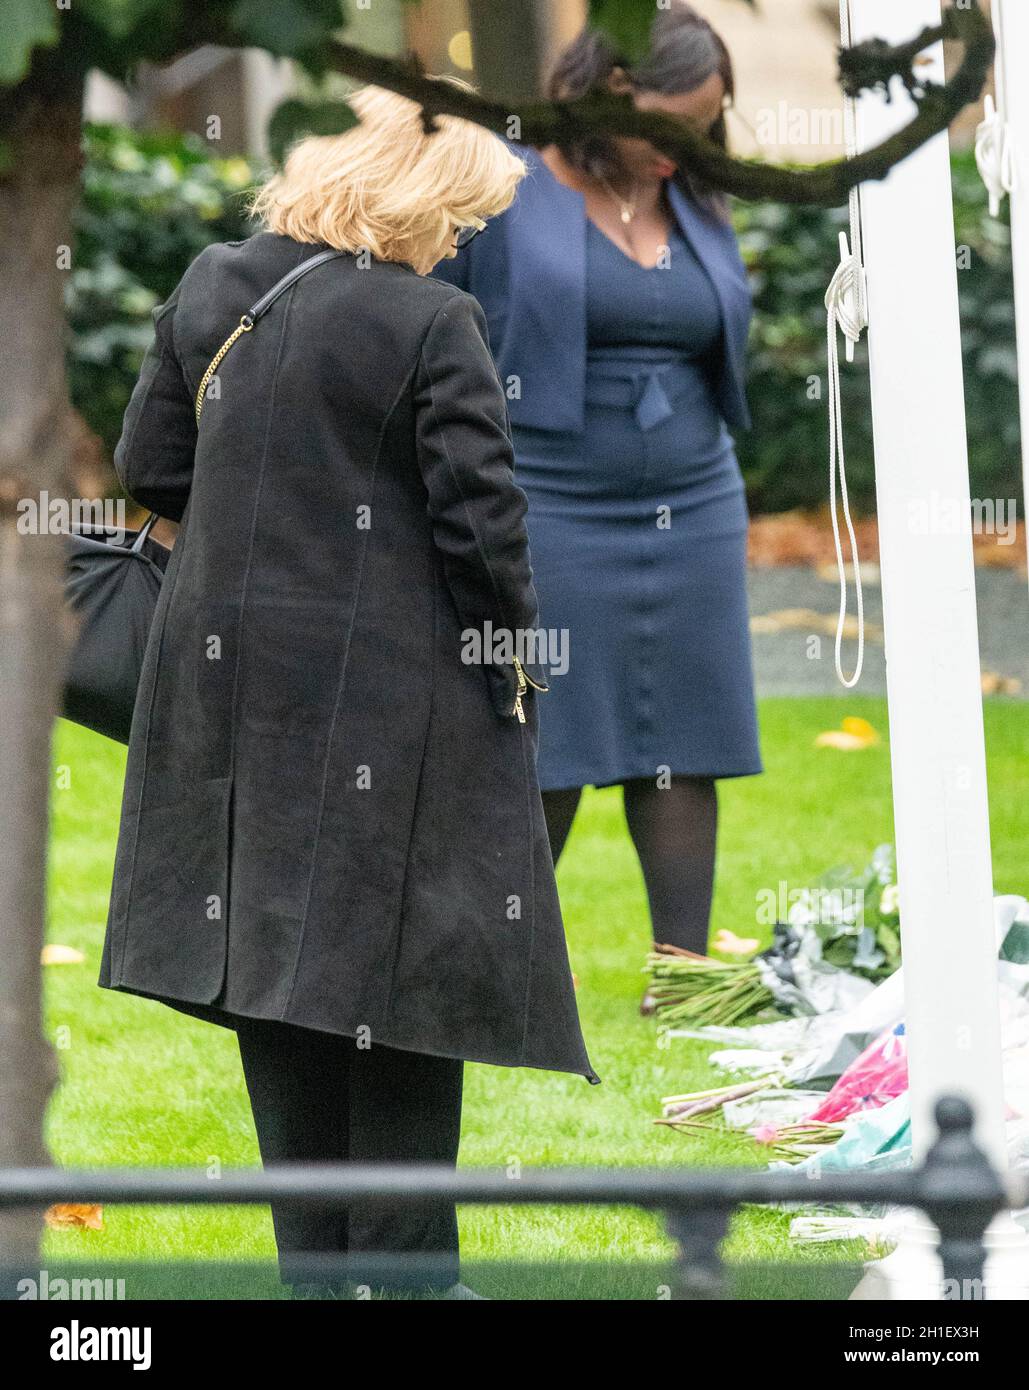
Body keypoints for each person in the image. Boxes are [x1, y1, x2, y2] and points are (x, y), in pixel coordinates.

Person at [99, 83, 597, 1299]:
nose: (465, 239)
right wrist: (516, 661)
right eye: (463, 215)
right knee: (405, 985)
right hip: (390, 699)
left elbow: (149, 466)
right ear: (420, 197)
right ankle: (415, 1280)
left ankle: (319, 1274)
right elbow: (486, 532)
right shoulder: (433, 323)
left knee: (275, 970)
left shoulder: (219, 279)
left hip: (224, 701)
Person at [434, 5, 762, 1004]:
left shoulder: (693, 193)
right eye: (677, 122)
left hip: (695, 497)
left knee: (688, 734)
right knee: (552, 733)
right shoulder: (507, 182)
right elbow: (438, 327)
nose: (691, 146)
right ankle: (490, 969)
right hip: (549, 498)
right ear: (615, 91)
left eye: (707, 124)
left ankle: (686, 973)